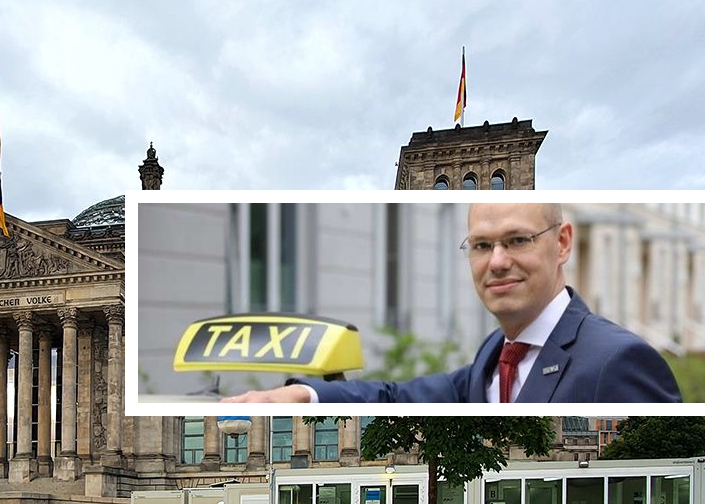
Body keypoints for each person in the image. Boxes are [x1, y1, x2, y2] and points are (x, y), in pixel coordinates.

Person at [221, 203, 681, 404]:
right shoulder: (492, 353)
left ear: (561, 243)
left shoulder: (619, 361)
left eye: (517, 240)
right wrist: (308, 392)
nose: (497, 262)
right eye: (481, 245)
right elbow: (399, 397)